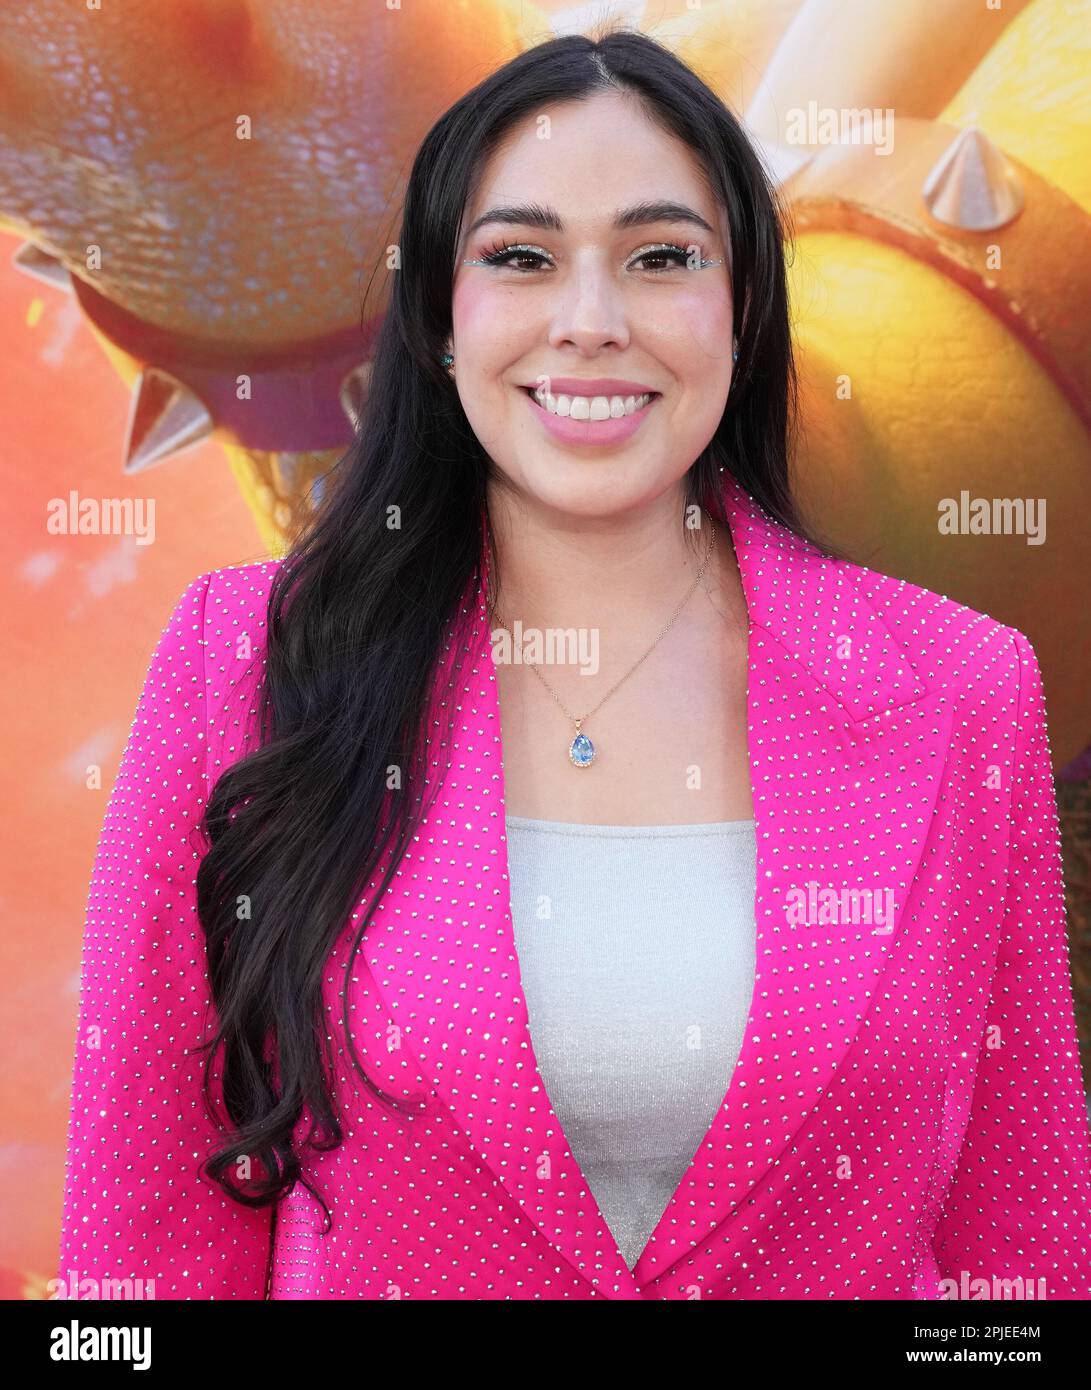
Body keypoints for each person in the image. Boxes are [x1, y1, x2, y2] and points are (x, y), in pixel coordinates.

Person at [57, 28, 1091, 1301]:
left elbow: (1017, 1267)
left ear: (744, 303)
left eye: (660, 257)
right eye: (521, 259)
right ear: (437, 314)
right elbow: (133, 1281)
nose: (591, 323)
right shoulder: (239, 665)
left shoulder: (964, 692)